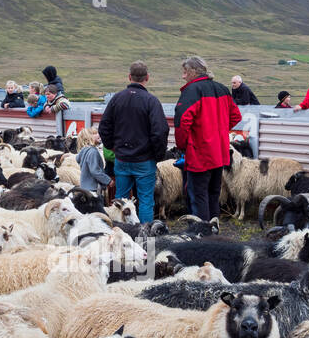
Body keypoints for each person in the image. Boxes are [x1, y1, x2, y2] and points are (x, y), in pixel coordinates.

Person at [98, 60, 168, 224]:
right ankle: (146, 243)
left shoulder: (117, 99)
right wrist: (157, 155)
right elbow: (160, 131)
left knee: (120, 200)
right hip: (145, 160)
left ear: (129, 77)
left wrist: (112, 147)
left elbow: (104, 127)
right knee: (146, 201)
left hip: (122, 158)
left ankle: (119, 237)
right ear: (147, 77)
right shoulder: (151, 101)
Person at [173, 55, 239, 224]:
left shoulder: (192, 91)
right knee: (213, 194)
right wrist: (219, 130)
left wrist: (182, 146)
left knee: (198, 195)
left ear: (194, 72)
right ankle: (213, 230)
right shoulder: (222, 89)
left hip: (199, 154)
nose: (183, 76)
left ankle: (201, 235)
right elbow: (235, 116)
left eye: (185, 72)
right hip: (219, 153)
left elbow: (182, 121)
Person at [76, 128, 112, 197]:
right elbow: (95, 171)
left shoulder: (84, 151)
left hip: (85, 187)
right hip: (93, 189)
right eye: (95, 133)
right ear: (88, 138)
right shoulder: (93, 152)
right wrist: (108, 181)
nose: (99, 135)